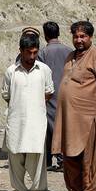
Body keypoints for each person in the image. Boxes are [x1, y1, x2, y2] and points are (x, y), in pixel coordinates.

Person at [50, 20, 96, 191]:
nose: (79, 40)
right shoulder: (71, 56)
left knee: (90, 155)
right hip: (68, 117)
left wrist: (91, 101)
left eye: (83, 36)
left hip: (89, 116)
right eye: (76, 36)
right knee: (70, 154)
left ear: (90, 37)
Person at [1, 31, 55, 191]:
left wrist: (34, 106)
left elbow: (48, 92)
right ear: (21, 50)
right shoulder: (11, 71)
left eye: (35, 52)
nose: (32, 56)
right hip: (16, 121)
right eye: (28, 52)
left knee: (37, 157)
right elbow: (7, 95)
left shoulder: (44, 70)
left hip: (36, 122)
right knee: (15, 156)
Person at [38, 21, 72, 171]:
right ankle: (63, 159)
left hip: (49, 94)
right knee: (65, 125)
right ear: (58, 33)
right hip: (67, 93)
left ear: (45, 35)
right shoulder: (69, 51)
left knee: (50, 126)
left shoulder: (43, 53)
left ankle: (55, 160)